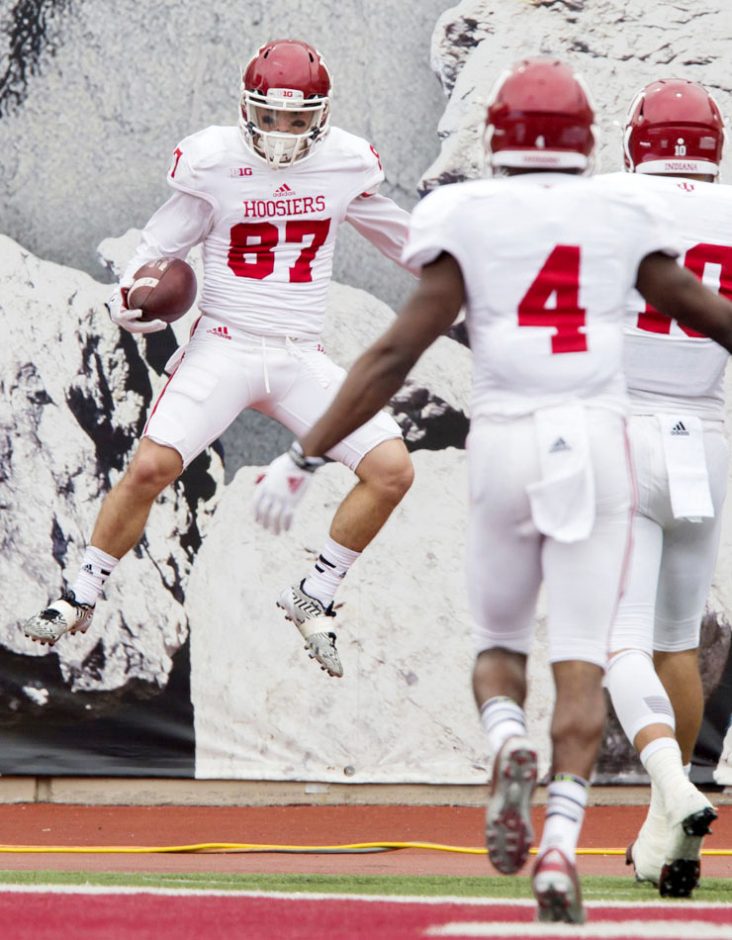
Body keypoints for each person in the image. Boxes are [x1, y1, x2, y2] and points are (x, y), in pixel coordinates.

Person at [252, 58, 732, 924]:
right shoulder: (621, 212)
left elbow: (398, 350)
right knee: (630, 649)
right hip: (656, 438)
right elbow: (697, 304)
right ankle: (612, 830)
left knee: (540, 645)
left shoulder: (495, 212)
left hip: (546, 437)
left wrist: (305, 456)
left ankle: (524, 744)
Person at [22, 38, 416, 679]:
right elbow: (155, 248)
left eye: (297, 119)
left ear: (321, 114)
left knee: (392, 470)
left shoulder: (344, 163)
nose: (283, 133)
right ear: (246, 108)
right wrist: (133, 294)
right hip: (226, 345)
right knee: (150, 466)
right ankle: (82, 593)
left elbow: (409, 242)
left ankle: (314, 593)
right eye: (270, 116)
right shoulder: (214, 163)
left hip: (299, 355)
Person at [604, 78, 730, 897]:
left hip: (616, 429)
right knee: (676, 640)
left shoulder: (603, 199)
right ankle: (663, 828)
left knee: (614, 637)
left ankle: (674, 788)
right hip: (705, 439)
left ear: (633, 144)